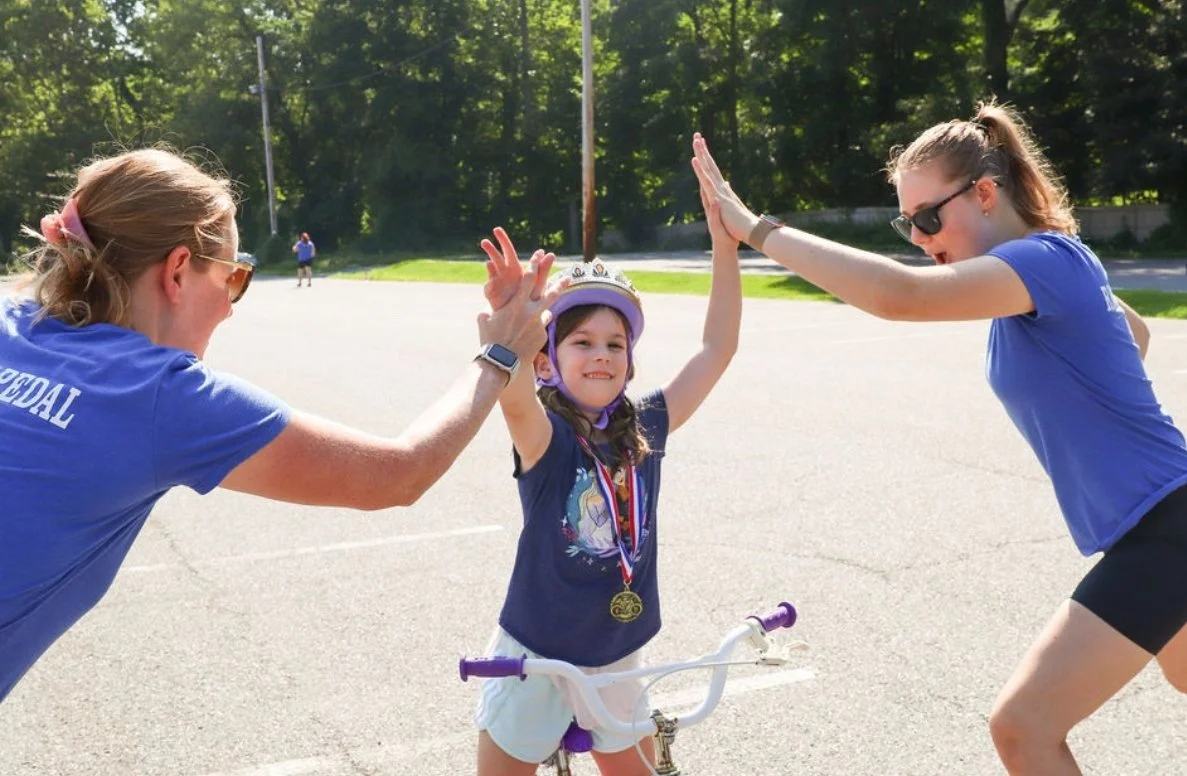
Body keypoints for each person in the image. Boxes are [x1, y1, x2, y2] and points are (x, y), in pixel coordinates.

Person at [690, 102, 1187, 775]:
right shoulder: (1050, 270)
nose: (920, 239)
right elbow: (1135, 333)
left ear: (983, 193)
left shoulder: (1044, 261)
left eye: (927, 218)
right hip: (1150, 523)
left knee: (1023, 729)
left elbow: (901, 296)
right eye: (907, 224)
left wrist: (754, 228)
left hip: (1165, 528)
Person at [0, 147, 561, 704]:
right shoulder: (159, 394)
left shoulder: (10, 324)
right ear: (177, 271)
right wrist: (501, 353)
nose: (230, 306)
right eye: (233, 276)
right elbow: (399, 473)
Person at [470, 201, 742, 776]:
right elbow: (513, 397)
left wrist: (725, 247)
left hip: (616, 651)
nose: (601, 355)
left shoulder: (647, 426)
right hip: (537, 656)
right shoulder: (545, 437)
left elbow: (716, 349)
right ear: (547, 363)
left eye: (615, 344)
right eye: (582, 342)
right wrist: (511, 325)